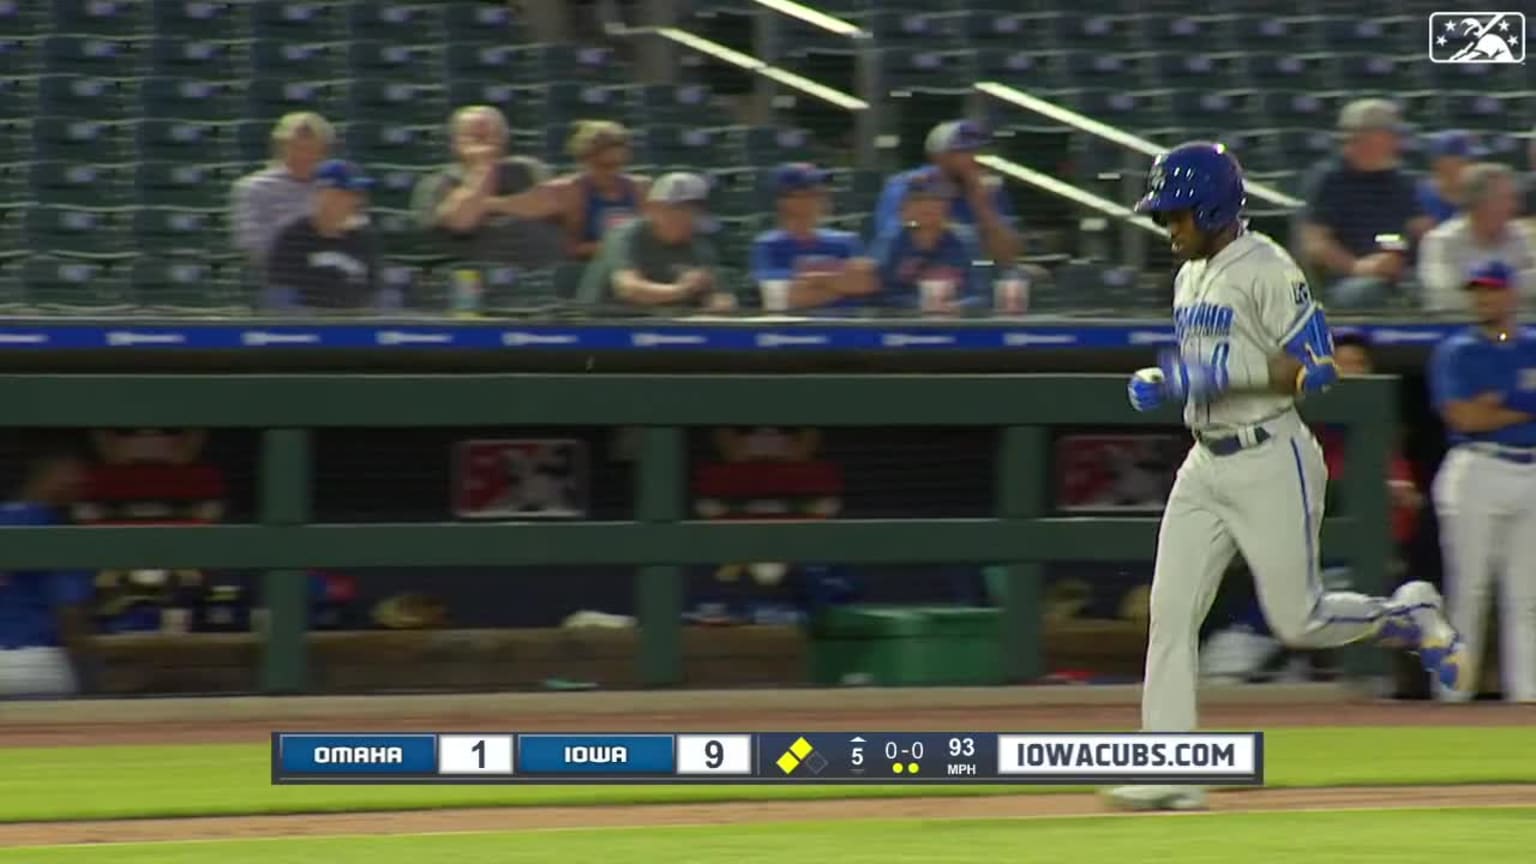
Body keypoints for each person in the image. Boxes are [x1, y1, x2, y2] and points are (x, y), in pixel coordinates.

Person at [1110, 141, 1466, 812]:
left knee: (1298, 622)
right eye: (1164, 216)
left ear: (1216, 209)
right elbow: (1206, 361)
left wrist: (1207, 377)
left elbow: (1317, 368)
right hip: (1204, 459)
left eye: (1178, 215)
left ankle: (1407, 613)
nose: (1169, 227)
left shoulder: (1267, 267)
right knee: (1170, 613)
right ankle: (1169, 770)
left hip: (1269, 455)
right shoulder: (1188, 275)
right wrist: (1174, 378)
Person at [1199, 333, 1424, 686]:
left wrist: (1394, 501)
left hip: (1349, 580)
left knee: (1369, 682)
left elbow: (1404, 524)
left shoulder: (1381, 445)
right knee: (1220, 670)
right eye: (1340, 366)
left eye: (1358, 366)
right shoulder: (1291, 426)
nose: (1348, 375)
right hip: (1281, 579)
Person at [1428, 261, 1536, 703]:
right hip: (1476, 468)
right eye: (1477, 291)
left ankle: (1526, 700)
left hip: (1530, 470)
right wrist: (1525, 405)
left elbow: (1485, 411)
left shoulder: (1532, 346)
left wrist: (1499, 405)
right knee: (1469, 591)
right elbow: (1465, 417)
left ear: (1510, 294)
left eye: (1491, 290)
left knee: (1526, 598)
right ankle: (1452, 700)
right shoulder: (1457, 350)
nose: (1483, 298)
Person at [1299, 99, 1432, 309]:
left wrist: (1397, 255)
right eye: (1391, 135)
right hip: (1346, 281)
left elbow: (1420, 230)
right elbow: (1316, 244)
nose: (1397, 142)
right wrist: (1359, 267)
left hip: (1400, 275)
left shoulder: (1400, 180)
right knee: (1370, 291)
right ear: (1366, 137)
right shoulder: (1329, 180)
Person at [412, 105, 561, 268]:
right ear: (455, 144)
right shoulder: (436, 183)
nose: (486, 144)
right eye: (476, 137)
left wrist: (489, 204)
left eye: (492, 135)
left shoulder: (527, 170)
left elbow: (551, 210)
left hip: (535, 276)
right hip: (467, 279)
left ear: (504, 140)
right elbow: (462, 221)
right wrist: (483, 165)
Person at [0, 450, 94, 698]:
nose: (80, 483)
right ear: (51, 475)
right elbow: (69, 614)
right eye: (74, 474)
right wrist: (90, 679)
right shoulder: (57, 532)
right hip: (36, 663)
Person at [576, 171, 735, 310]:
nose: (688, 217)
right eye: (678, 209)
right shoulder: (625, 236)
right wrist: (683, 290)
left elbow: (723, 296)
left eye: (693, 210)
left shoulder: (699, 246)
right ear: (654, 209)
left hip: (667, 329)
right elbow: (628, 289)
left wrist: (717, 302)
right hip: (605, 328)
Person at [872, 120, 1020, 267]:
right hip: (914, 271)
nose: (974, 159)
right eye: (964, 152)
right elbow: (890, 240)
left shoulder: (991, 191)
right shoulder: (908, 185)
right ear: (939, 157)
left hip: (974, 273)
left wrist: (982, 206)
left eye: (978, 151)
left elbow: (1007, 257)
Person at [748, 163, 876, 312]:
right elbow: (785, 298)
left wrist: (817, 282)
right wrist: (841, 286)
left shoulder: (846, 242)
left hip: (849, 328)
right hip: (796, 332)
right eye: (811, 193)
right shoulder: (769, 246)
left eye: (821, 192)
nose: (822, 198)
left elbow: (866, 284)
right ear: (785, 201)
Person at [265, 160, 382, 311]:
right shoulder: (292, 239)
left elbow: (376, 296)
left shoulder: (364, 238)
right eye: (351, 193)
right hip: (307, 330)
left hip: (355, 329)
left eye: (360, 194)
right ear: (325, 195)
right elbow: (281, 303)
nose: (359, 201)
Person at [1419, 163, 1536, 312]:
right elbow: (1443, 296)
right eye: (1506, 199)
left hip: (1521, 330)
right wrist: (1511, 285)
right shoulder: (1441, 242)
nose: (1514, 207)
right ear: (1480, 203)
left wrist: (1479, 288)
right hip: (1457, 329)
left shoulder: (1525, 237)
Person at [869, 167, 986, 313]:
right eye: (918, 199)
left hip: (958, 325)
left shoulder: (967, 241)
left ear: (947, 207)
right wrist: (918, 306)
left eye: (936, 199)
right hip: (903, 327)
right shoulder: (889, 242)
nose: (928, 205)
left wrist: (957, 306)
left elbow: (983, 294)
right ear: (904, 209)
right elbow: (876, 295)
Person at [230, 112, 334, 268]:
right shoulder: (254, 188)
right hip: (280, 277)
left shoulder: (334, 189)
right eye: (298, 148)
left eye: (312, 150)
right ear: (281, 147)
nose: (305, 156)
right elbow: (254, 245)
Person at [548, 120, 649, 261]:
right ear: (584, 161)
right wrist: (610, 247)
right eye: (604, 166)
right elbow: (570, 249)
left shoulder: (640, 188)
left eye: (619, 165)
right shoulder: (572, 192)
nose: (613, 172)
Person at [1417, 131, 1481, 227]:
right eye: (1460, 161)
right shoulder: (1419, 196)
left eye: (1472, 160)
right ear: (1438, 163)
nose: (1469, 165)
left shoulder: (1482, 196)